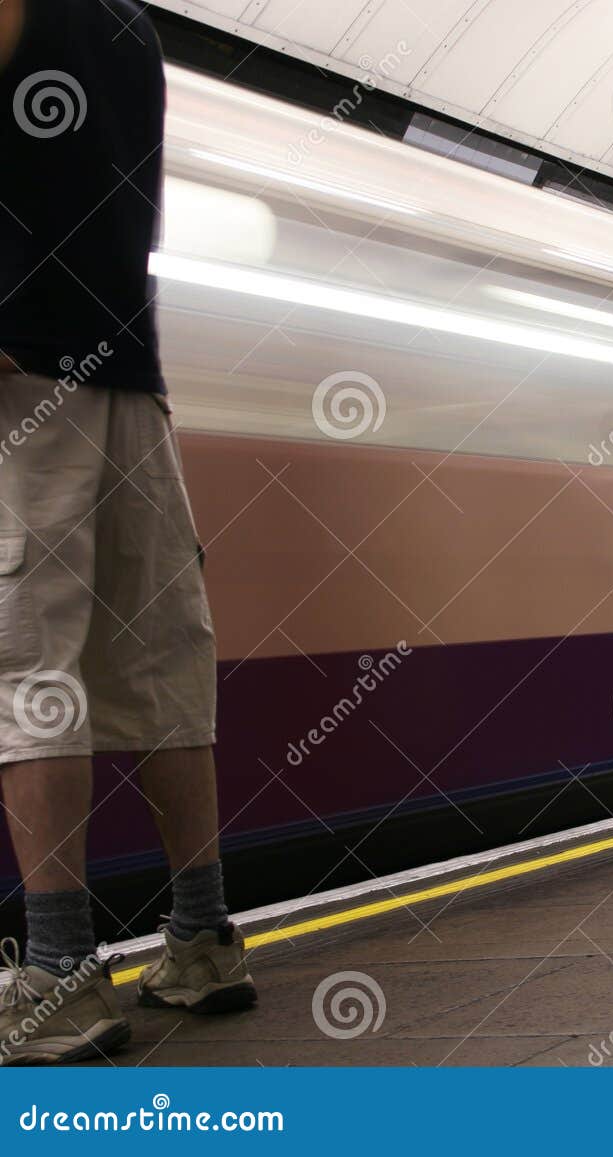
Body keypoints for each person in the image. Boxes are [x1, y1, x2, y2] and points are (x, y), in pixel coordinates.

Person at [0, 0, 256, 1066]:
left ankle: (59, 970)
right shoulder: (130, 24)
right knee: (160, 659)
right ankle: (201, 938)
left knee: (30, 664)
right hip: (127, 375)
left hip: (22, 377)